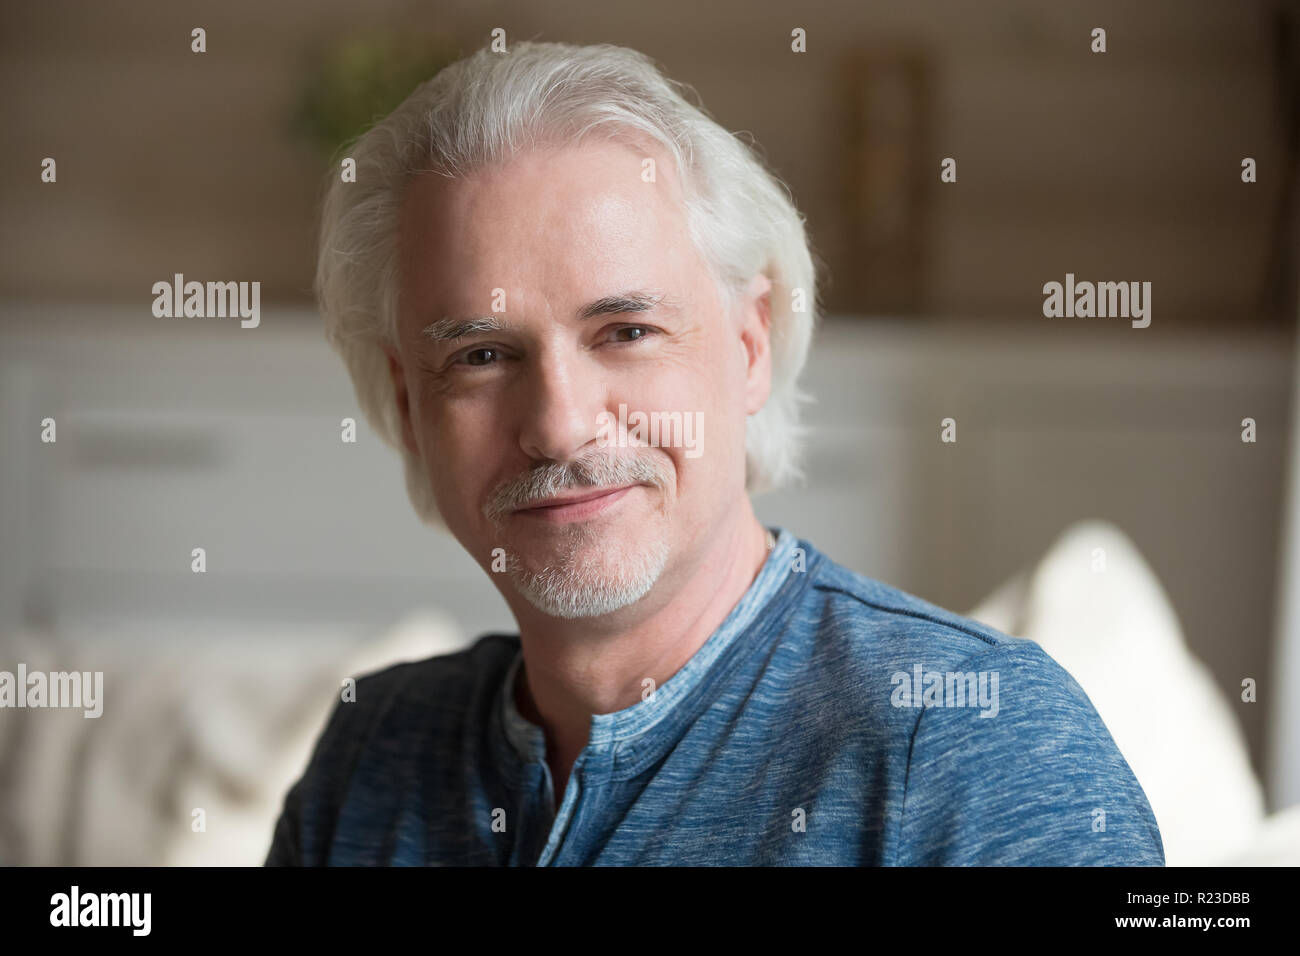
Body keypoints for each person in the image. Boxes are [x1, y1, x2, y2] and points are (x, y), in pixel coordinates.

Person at [266, 40, 1164, 866]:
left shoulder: (976, 742)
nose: (560, 425)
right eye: (481, 355)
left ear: (749, 345)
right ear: (405, 403)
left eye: (626, 331)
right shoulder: (371, 755)